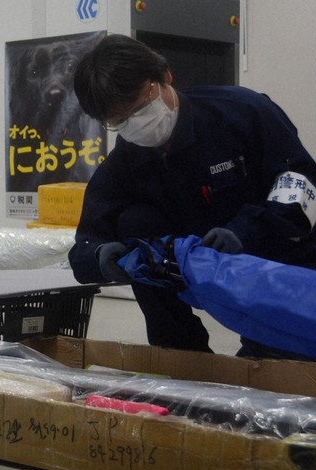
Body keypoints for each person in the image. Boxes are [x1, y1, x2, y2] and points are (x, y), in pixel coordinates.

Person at [69, 34, 316, 360]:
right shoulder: (128, 160)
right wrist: (100, 255)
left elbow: (299, 183)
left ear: (165, 77)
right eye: (120, 121)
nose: (136, 125)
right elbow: (86, 242)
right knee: (135, 225)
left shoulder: (242, 112)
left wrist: (245, 232)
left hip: (283, 264)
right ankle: (183, 360)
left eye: (141, 107)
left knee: (283, 370)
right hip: (198, 274)